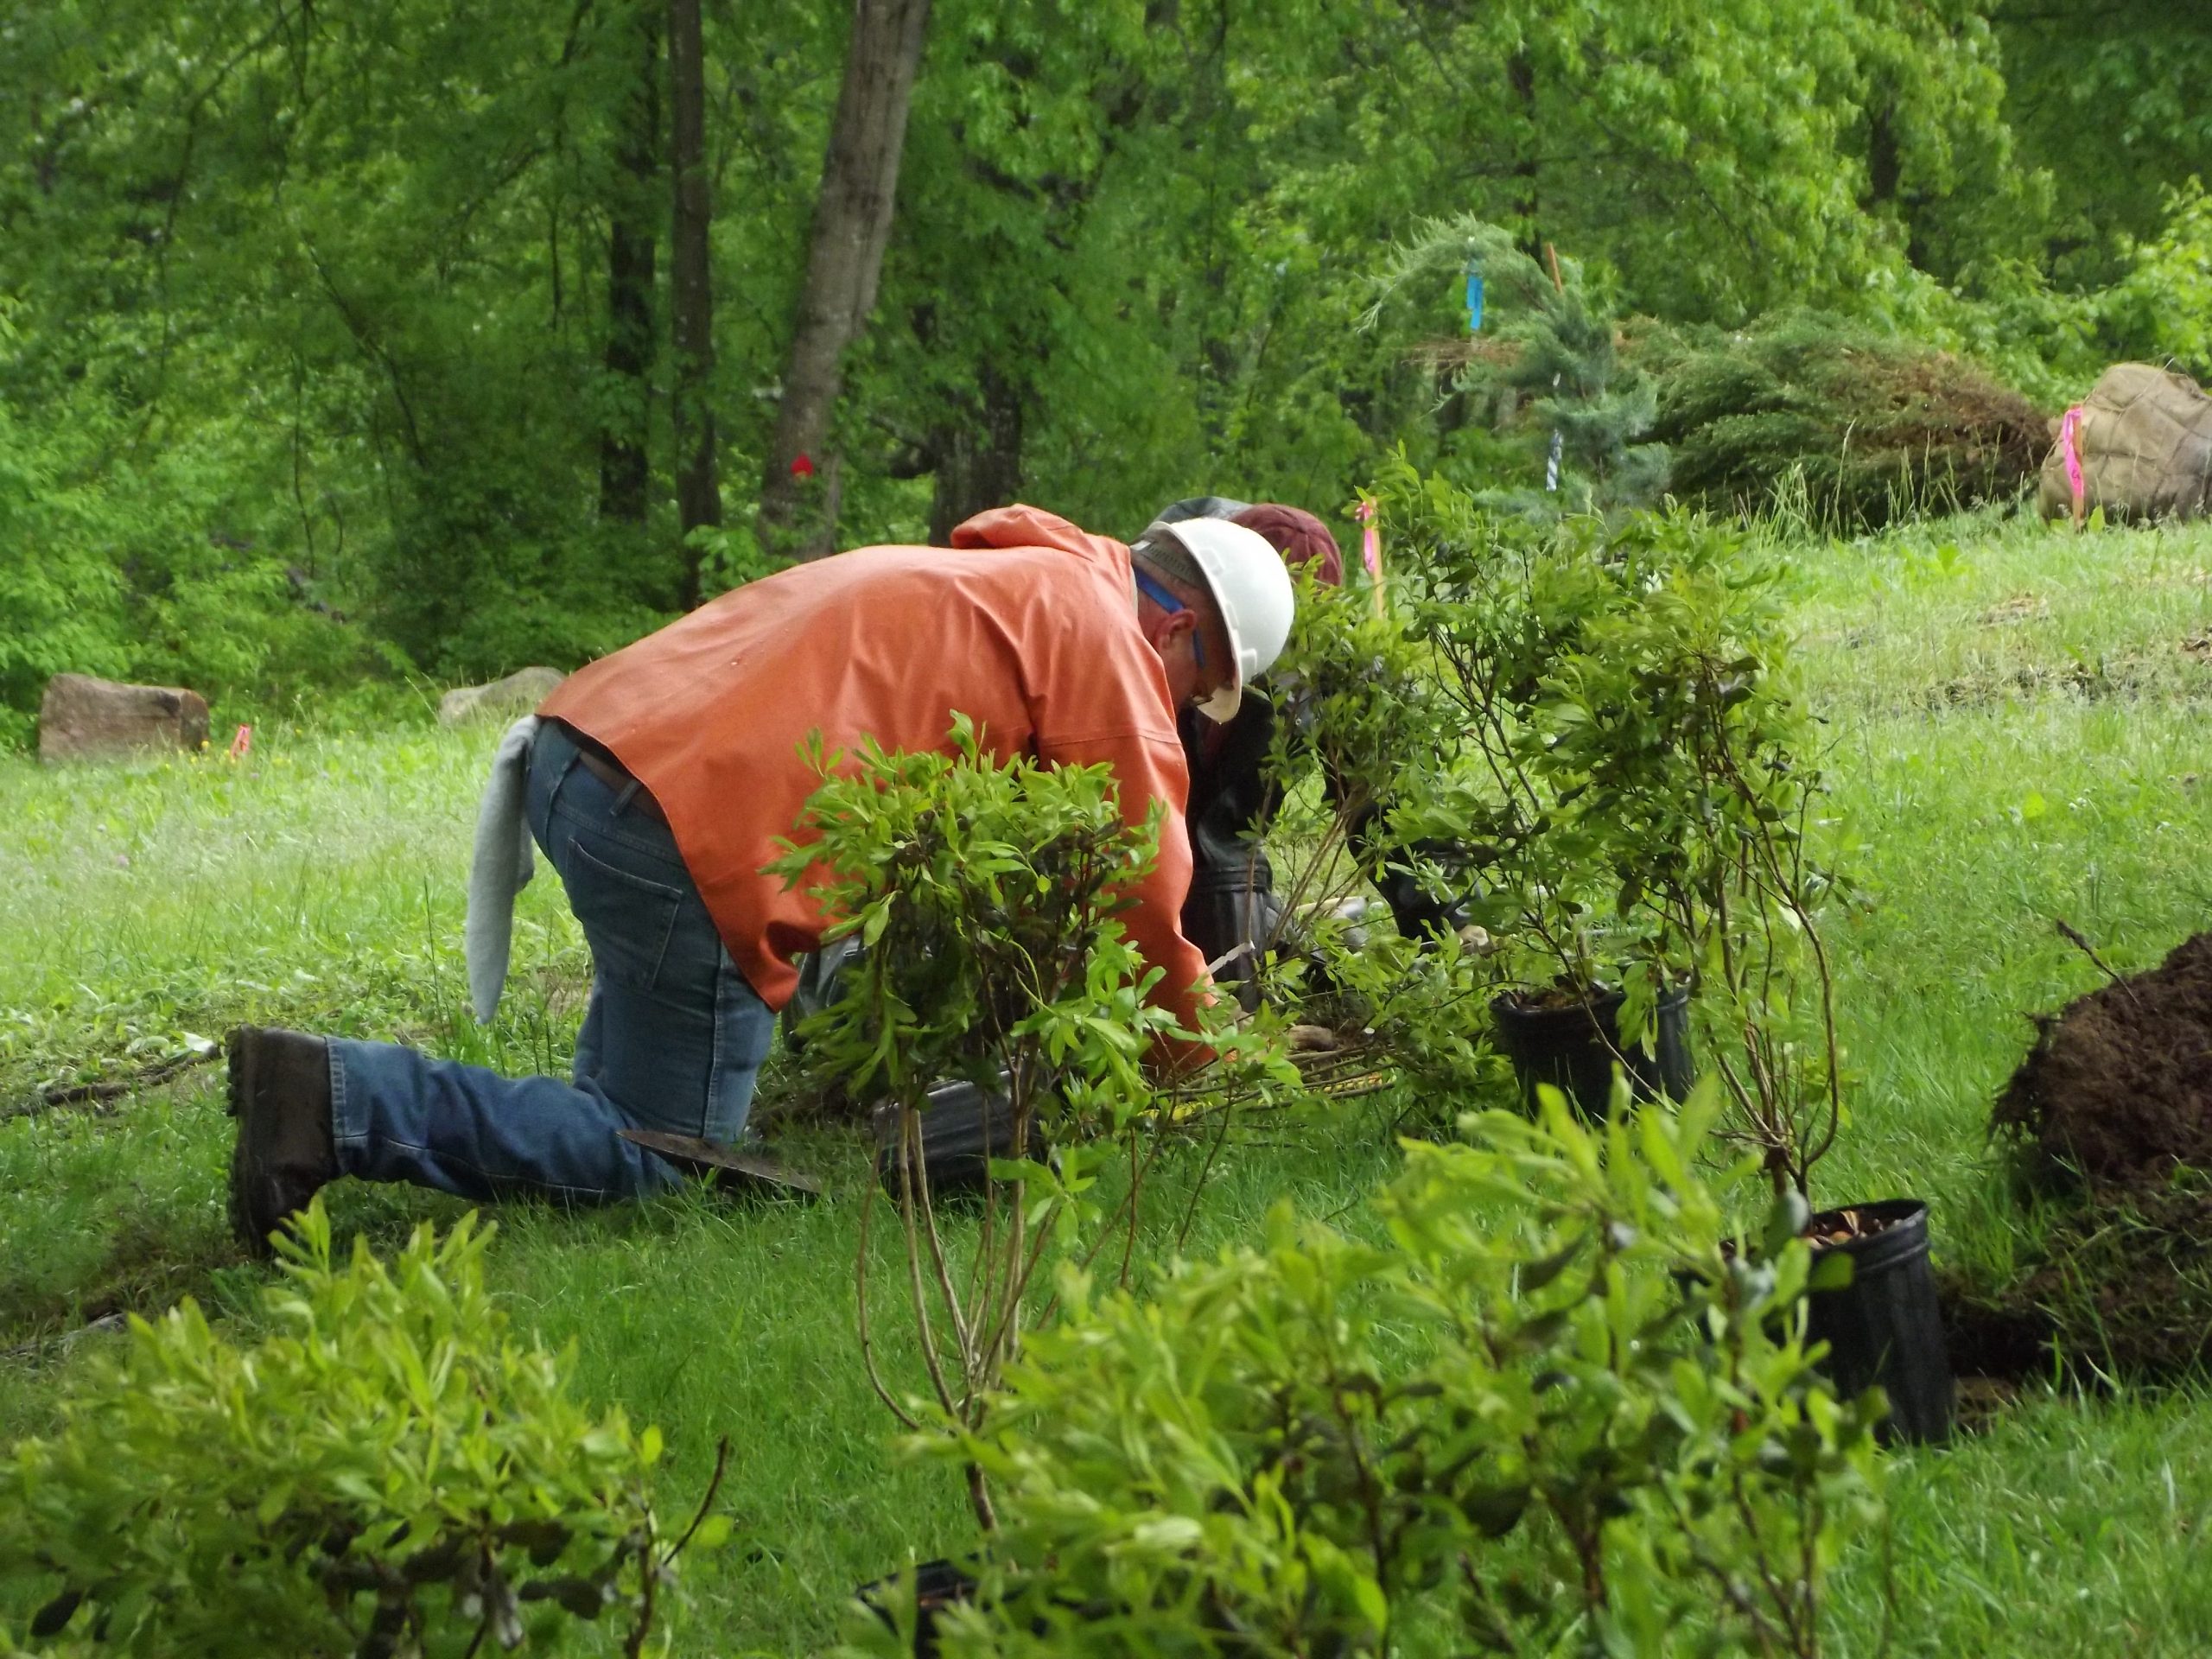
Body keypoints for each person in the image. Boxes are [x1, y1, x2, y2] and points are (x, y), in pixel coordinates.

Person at [223, 505, 1294, 1252]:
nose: (1183, 709)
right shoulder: (1108, 645)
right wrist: (1198, 1052)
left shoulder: (1037, 581)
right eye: (1198, 689)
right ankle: (335, 1099)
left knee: (643, 1081)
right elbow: (1141, 891)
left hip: (589, 753)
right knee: (664, 1156)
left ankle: (384, 1103)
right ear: (1178, 628)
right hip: (679, 826)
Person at [1150, 498, 1471, 1007]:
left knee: (1334, 991)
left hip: (1229, 879)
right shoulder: (1155, 606)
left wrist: (1453, 919)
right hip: (1129, 883)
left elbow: (1384, 803)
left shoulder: (1334, 662)